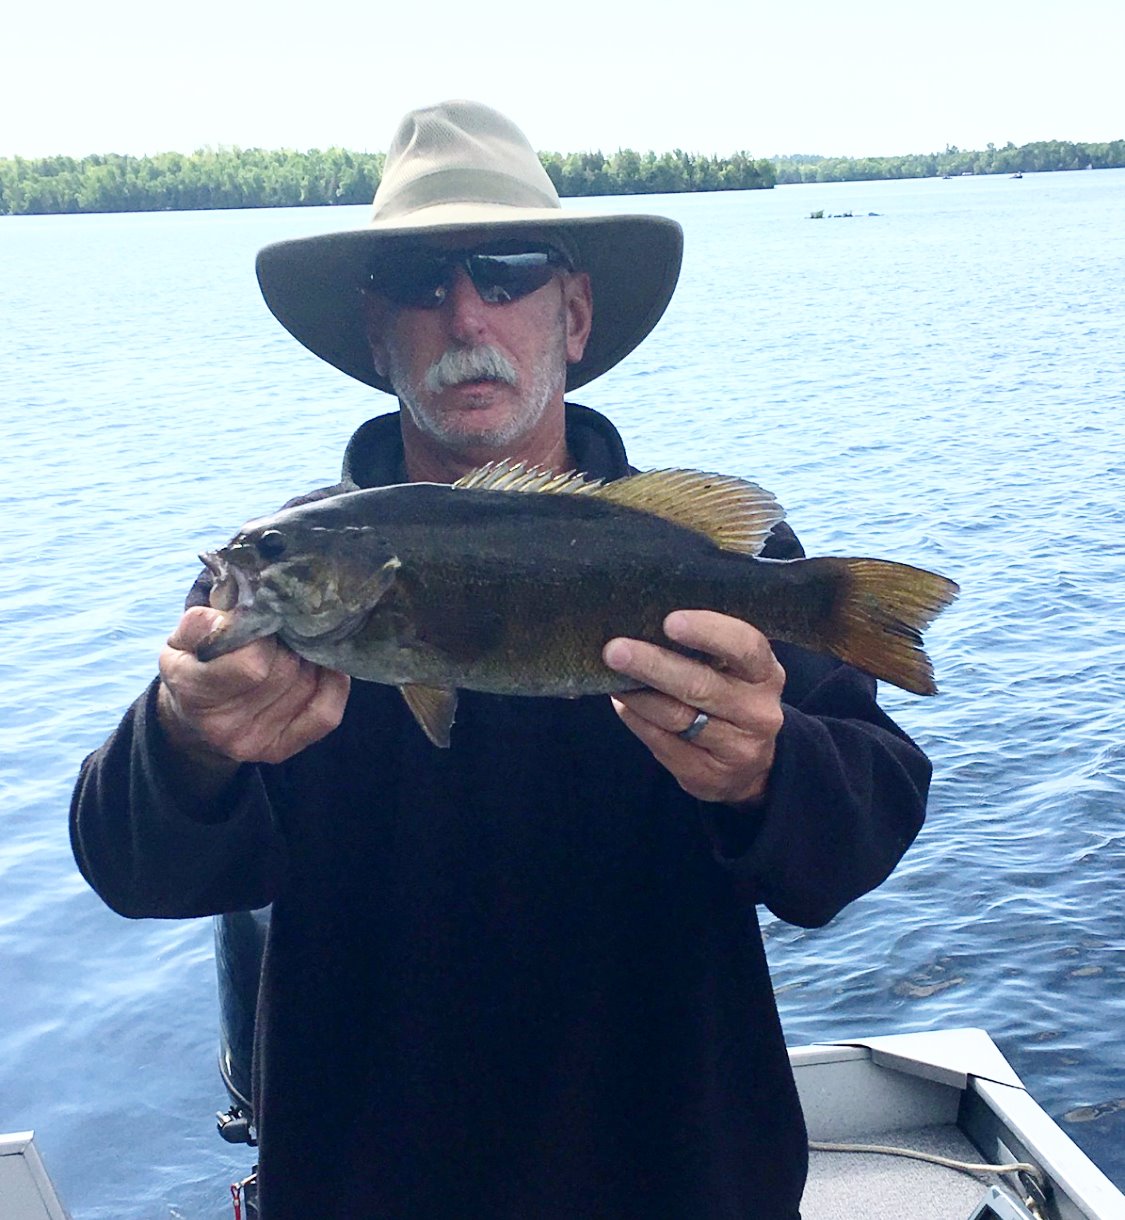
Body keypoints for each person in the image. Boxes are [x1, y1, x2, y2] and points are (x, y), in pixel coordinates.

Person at [71, 100, 931, 1220]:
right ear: (378, 333)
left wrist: (770, 770)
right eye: (420, 281)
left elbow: (858, 844)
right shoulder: (280, 574)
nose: (465, 308)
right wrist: (185, 743)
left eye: (506, 268)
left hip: (677, 1174)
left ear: (573, 313)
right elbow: (131, 868)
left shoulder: (704, 562)